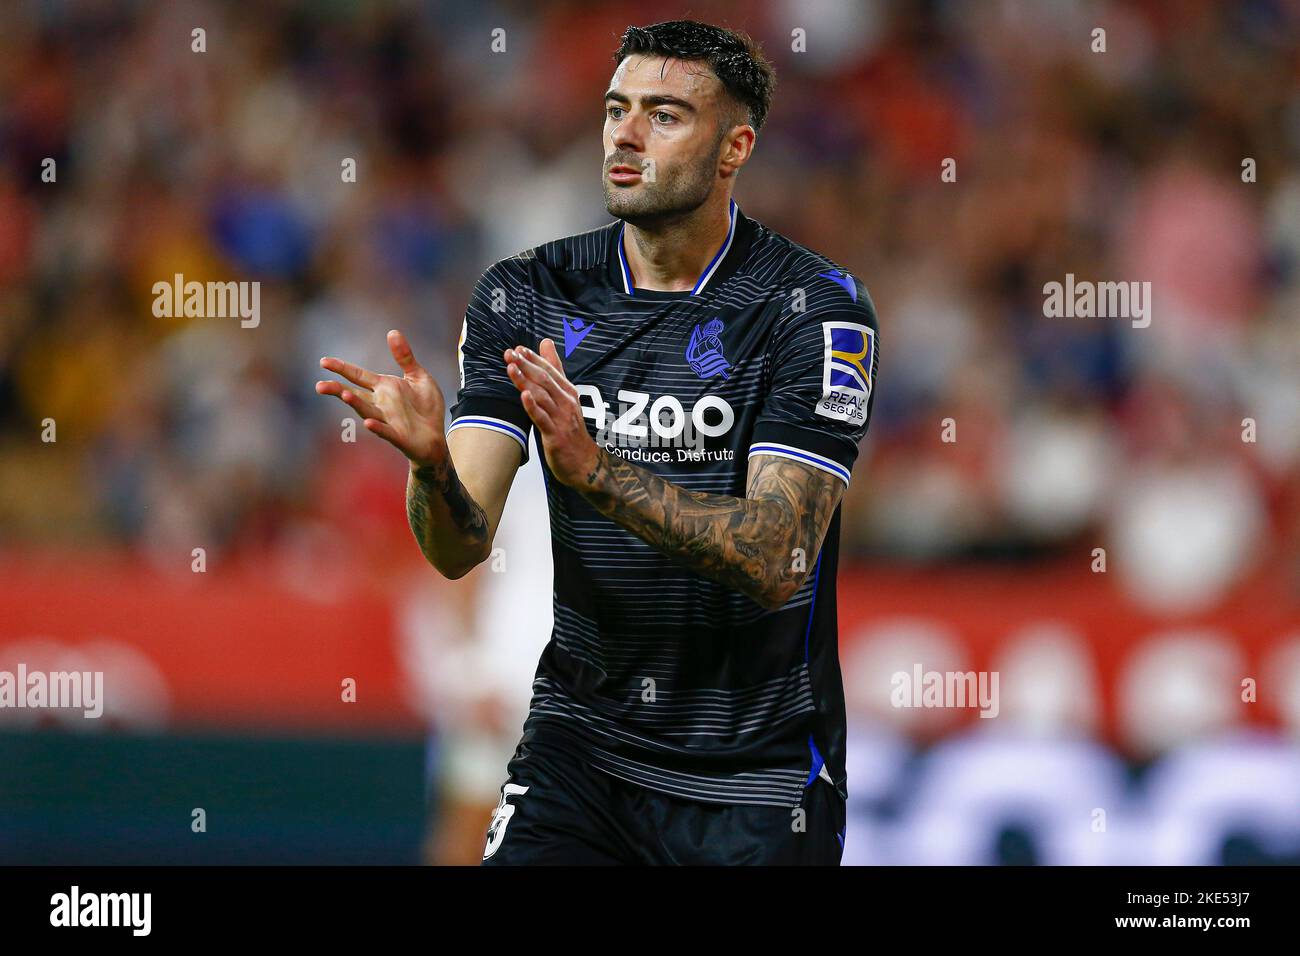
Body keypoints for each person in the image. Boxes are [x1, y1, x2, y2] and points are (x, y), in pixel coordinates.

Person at [316, 19, 879, 865]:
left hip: (754, 779)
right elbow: (456, 547)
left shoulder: (812, 310)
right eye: (616, 108)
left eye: (664, 114)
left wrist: (597, 471)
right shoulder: (526, 294)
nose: (624, 131)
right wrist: (431, 469)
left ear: (735, 147)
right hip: (579, 753)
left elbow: (779, 556)